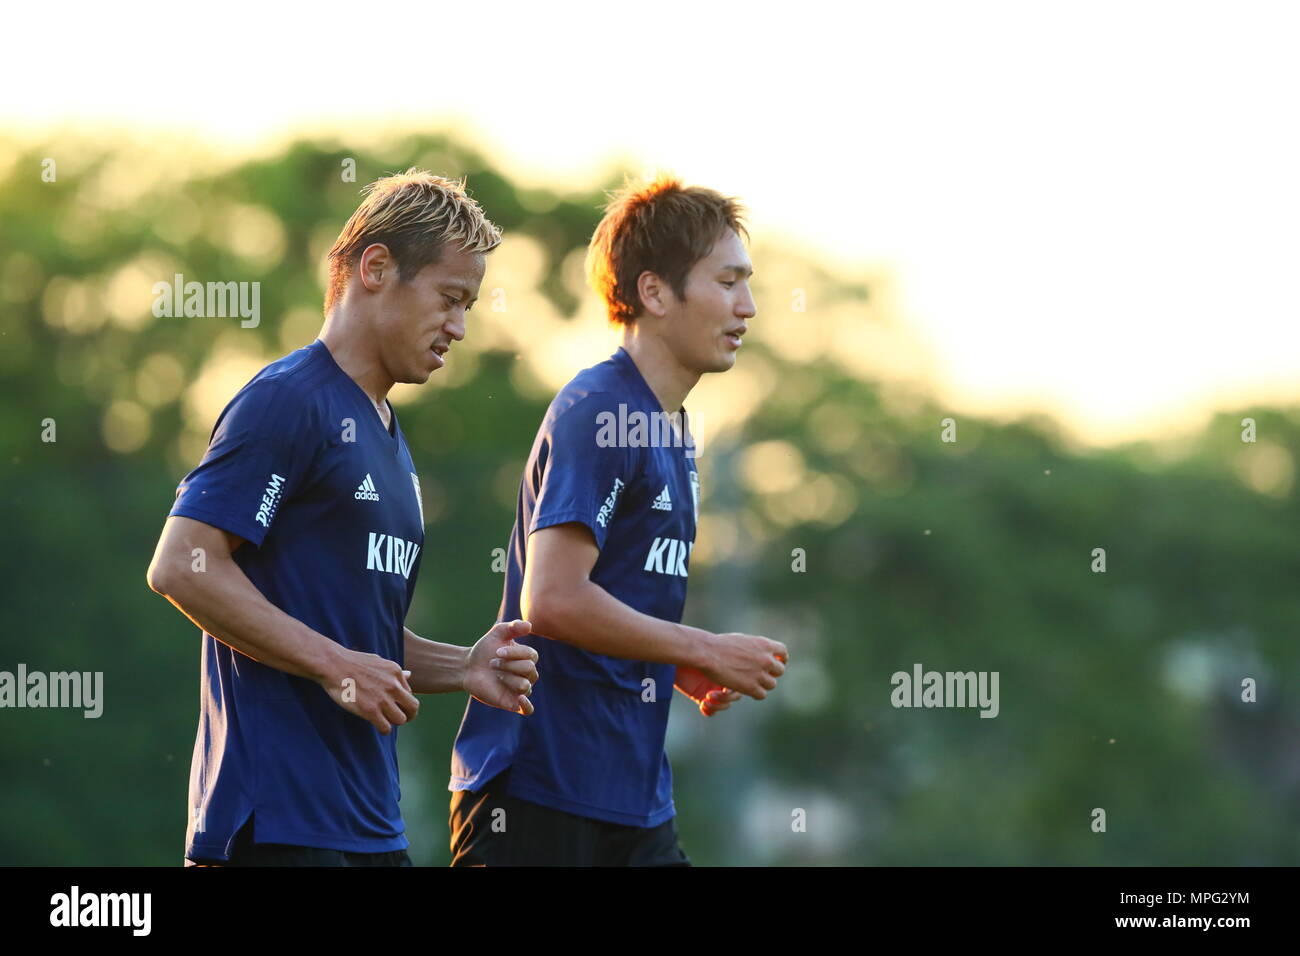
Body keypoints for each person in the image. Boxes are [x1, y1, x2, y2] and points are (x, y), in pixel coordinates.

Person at [146, 169, 539, 867]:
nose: (460, 325)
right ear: (377, 268)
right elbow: (182, 564)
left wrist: (465, 666)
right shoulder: (287, 401)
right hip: (275, 827)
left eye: (469, 305)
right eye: (450, 298)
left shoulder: (387, 434)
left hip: (370, 829)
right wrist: (334, 665)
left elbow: (359, 638)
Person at [448, 175, 788, 866]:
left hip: (631, 799)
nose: (747, 307)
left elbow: (611, 600)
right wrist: (702, 647)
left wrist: (676, 665)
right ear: (656, 292)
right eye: (727, 282)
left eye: (747, 284)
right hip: (540, 793)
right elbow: (554, 598)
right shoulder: (605, 411)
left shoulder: (671, 427)